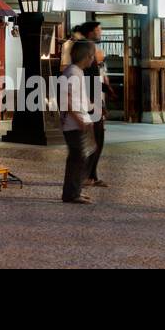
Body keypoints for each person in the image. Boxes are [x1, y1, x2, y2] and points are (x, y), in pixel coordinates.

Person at [60, 40, 96, 204]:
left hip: (80, 120)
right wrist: (78, 119)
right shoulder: (72, 73)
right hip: (74, 123)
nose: (93, 59)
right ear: (87, 56)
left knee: (82, 157)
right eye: (92, 56)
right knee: (77, 158)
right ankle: (71, 194)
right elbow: (65, 99)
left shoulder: (76, 72)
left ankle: (75, 190)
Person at [77, 22, 109, 189]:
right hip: (89, 100)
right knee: (94, 139)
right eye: (98, 29)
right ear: (90, 32)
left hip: (94, 98)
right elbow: (87, 77)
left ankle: (92, 174)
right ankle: (86, 176)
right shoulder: (85, 46)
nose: (101, 32)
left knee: (97, 138)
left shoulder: (89, 46)